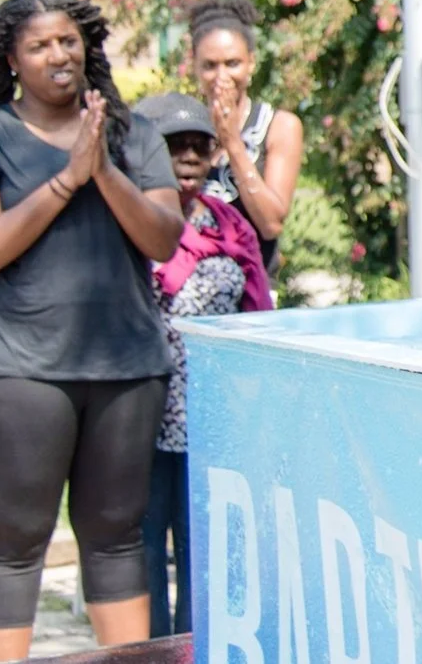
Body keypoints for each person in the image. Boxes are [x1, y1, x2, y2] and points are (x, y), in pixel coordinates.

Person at [0, 0, 185, 662]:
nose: (59, 54)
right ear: (12, 60)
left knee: (116, 537)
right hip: (17, 369)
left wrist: (101, 165)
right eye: (41, 44)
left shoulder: (130, 133)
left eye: (68, 40)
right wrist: (64, 180)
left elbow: (164, 238)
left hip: (126, 366)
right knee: (17, 540)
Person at [132, 95, 271, 638]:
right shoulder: (131, 224)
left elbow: (256, 307)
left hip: (211, 419)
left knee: (202, 553)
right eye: (173, 146)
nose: (188, 158)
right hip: (141, 415)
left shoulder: (230, 226)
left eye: (198, 145)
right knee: (142, 550)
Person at [186, 0, 305, 277]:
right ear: (195, 67)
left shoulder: (278, 126)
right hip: (194, 291)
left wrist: (231, 142)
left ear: (251, 63)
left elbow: (271, 223)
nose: (222, 76)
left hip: (254, 291)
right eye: (210, 65)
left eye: (233, 63)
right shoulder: (186, 130)